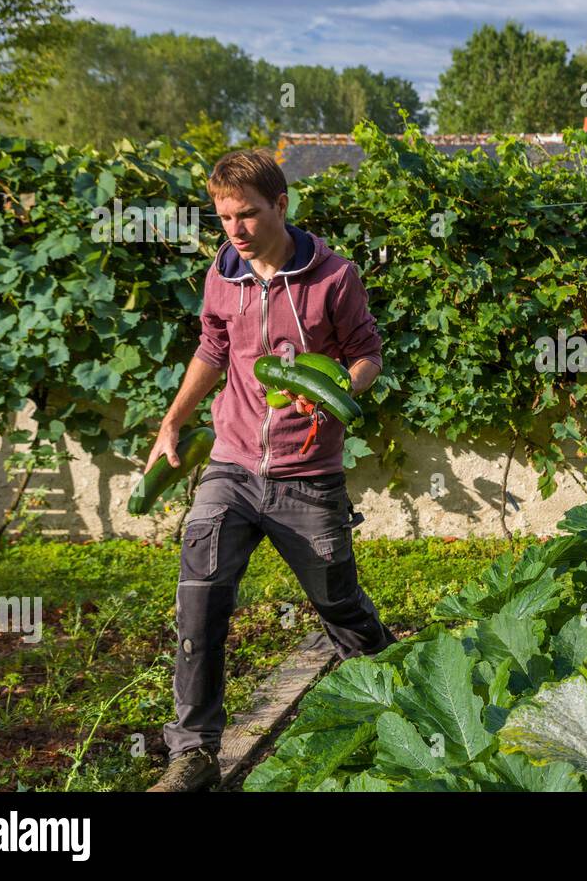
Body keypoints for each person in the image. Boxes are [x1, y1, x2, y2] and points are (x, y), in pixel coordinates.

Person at [145, 150, 396, 792]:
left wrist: (339, 386)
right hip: (230, 465)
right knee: (199, 603)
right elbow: (213, 349)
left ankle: (406, 701)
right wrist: (174, 419)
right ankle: (194, 753)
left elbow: (367, 354)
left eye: (248, 214)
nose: (234, 228)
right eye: (223, 216)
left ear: (281, 205)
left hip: (308, 474)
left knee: (339, 605)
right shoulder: (220, 277)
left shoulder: (334, 276)